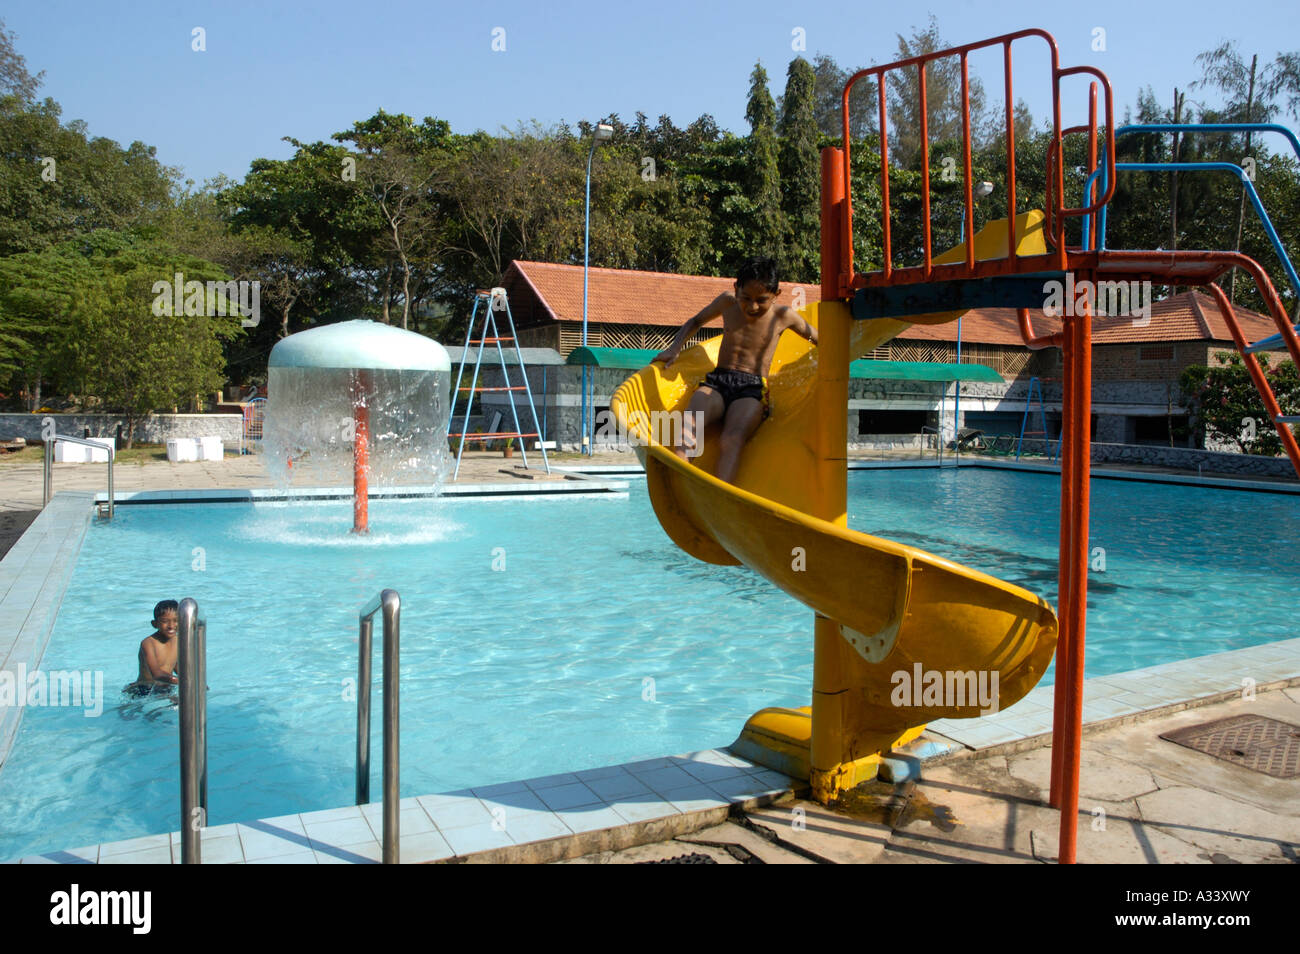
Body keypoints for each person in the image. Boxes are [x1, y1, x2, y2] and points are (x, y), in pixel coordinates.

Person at [653, 257, 818, 484]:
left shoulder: (783, 316)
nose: (752, 306)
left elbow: (820, 339)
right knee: (689, 423)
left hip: (752, 388)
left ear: (776, 295)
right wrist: (674, 349)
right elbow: (696, 321)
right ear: (735, 289)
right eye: (746, 298)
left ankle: (720, 495)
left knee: (731, 438)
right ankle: (681, 483)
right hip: (718, 381)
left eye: (762, 300)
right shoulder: (727, 303)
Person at [124, 600, 180, 697]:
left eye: (176, 620)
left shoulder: (178, 641)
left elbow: (174, 664)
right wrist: (185, 682)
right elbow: (157, 674)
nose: (171, 626)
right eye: (165, 621)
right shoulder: (148, 643)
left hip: (165, 687)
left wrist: (196, 682)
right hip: (144, 689)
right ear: (154, 624)